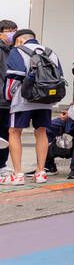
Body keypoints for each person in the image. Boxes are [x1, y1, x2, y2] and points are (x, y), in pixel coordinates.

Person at [1, 29, 64, 186]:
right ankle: (41, 172)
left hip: (23, 100)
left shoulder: (18, 51)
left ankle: (18, 174)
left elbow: (12, 79)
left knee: (14, 132)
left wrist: (9, 98)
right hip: (46, 100)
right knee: (41, 131)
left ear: (20, 41)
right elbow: (60, 77)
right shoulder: (51, 52)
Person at [0, 19, 18, 172]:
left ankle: (2, 164)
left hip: (9, 99)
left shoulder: (13, 50)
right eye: (9, 30)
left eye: (14, 29)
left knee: (6, 132)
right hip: (2, 98)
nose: (12, 32)